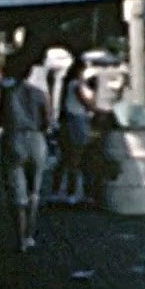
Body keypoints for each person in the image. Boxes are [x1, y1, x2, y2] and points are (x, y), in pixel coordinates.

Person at [0, 52, 52, 252]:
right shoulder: (40, 94)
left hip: (13, 139)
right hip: (36, 140)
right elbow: (48, 122)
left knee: (16, 193)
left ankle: (20, 238)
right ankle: (30, 234)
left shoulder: (8, 93)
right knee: (34, 192)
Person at [50, 57, 95, 205]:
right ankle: (72, 192)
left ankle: (56, 191)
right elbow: (86, 102)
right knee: (76, 157)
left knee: (64, 159)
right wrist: (94, 105)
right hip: (77, 122)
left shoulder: (67, 84)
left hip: (67, 121)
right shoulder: (77, 85)